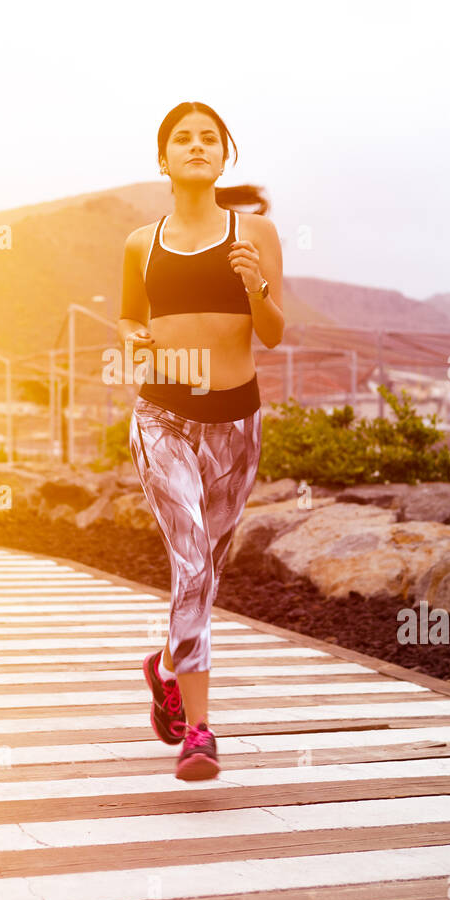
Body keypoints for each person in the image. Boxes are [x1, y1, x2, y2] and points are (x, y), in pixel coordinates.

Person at [117, 101, 284, 781]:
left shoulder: (257, 234)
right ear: (164, 159)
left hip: (237, 425)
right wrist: (136, 342)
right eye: (181, 139)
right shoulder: (140, 242)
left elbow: (272, 333)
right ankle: (201, 731)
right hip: (162, 417)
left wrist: (255, 284)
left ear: (225, 155)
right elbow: (129, 323)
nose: (196, 146)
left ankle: (165, 666)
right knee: (191, 567)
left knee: (205, 574)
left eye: (208, 138)